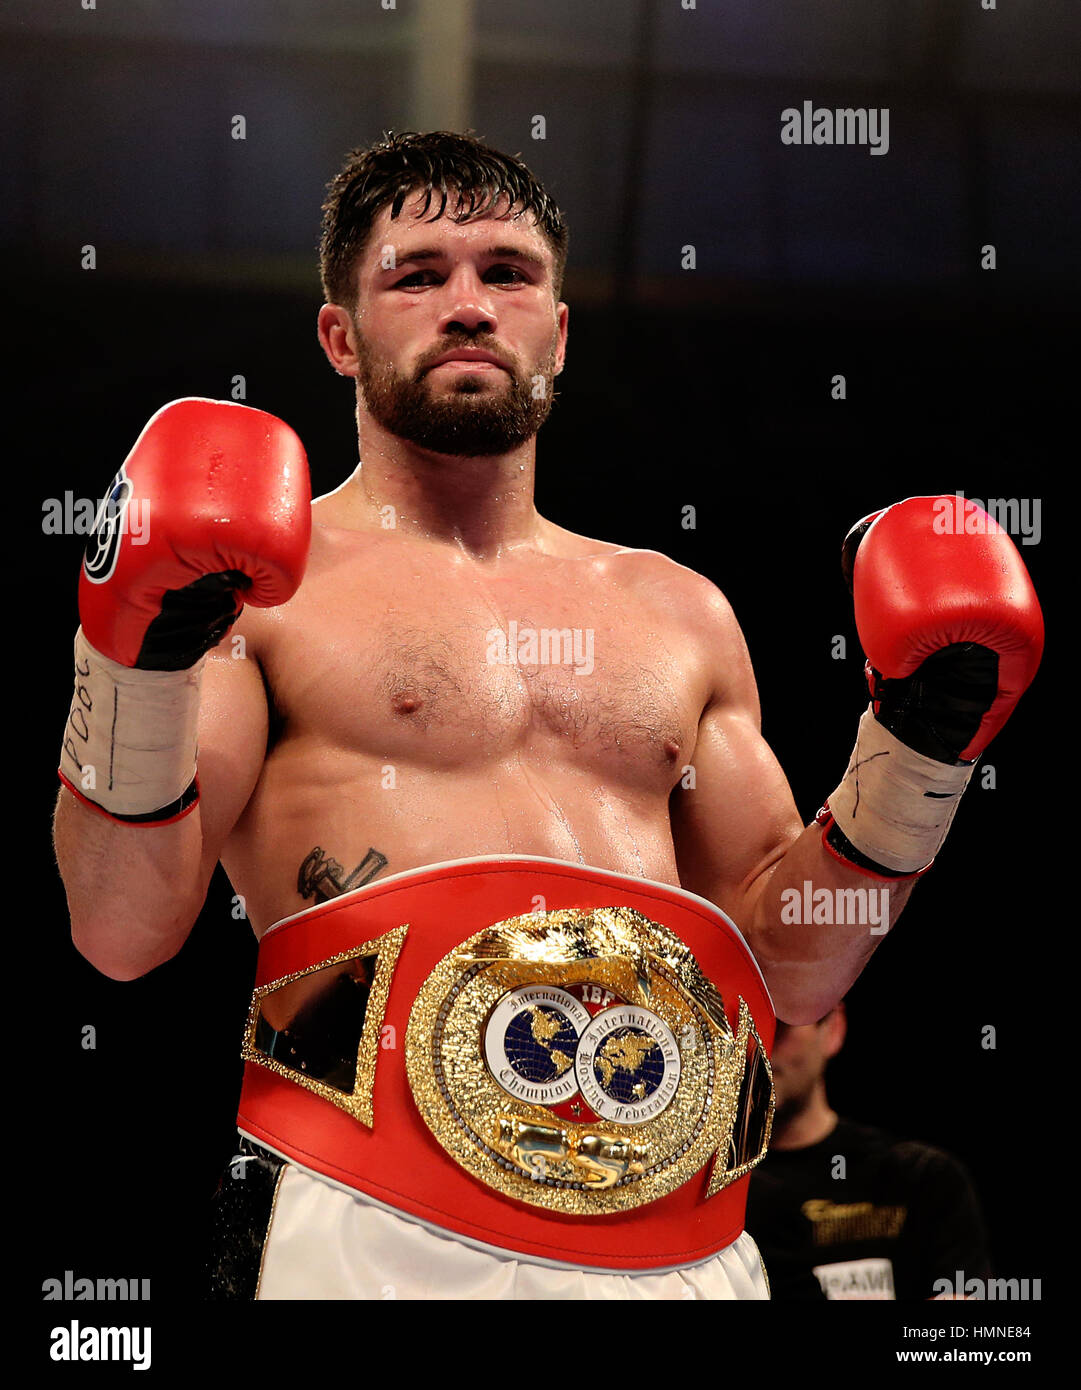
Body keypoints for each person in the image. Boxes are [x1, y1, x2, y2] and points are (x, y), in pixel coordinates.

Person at [52, 130, 1043, 1301]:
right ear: (339, 334)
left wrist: (918, 753)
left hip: (681, 1240)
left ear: (557, 333)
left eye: (507, 273)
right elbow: (121, 931)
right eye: (417, 275)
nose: (466, 306)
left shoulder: (679, 611)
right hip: (373, 1217)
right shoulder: (267, 593)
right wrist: (138, 665)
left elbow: (787, 977)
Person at [745, 1005, 992, 1300]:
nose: (758, 1045)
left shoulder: (921, 1178)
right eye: (746, 1028)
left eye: (780, 1026)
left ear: (832, 1028)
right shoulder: (708, 1199)